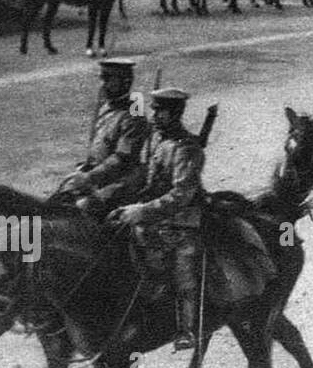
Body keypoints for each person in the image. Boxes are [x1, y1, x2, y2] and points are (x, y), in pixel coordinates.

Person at [109, 88, 205, 352]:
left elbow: (181, 195)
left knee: (183, 269)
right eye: (152, 109)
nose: (153, 115)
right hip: (153, 214)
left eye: (159, 111)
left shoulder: (187, 149)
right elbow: (148, 180)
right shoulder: (157, 140)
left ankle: (187, 328)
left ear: (174, 114)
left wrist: (141, 211)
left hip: (181, 221)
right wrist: (126, 201)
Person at [56, 58, 148, 216]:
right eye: (102, 79)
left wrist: (89, 177)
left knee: (84, 208)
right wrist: (85, 169)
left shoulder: (134, 112)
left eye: (109, 80)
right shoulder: (107, 104)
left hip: (121, 180)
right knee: (60, 197)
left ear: (125, 82)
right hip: (98, 174)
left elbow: (122, 158)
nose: (103, 84)